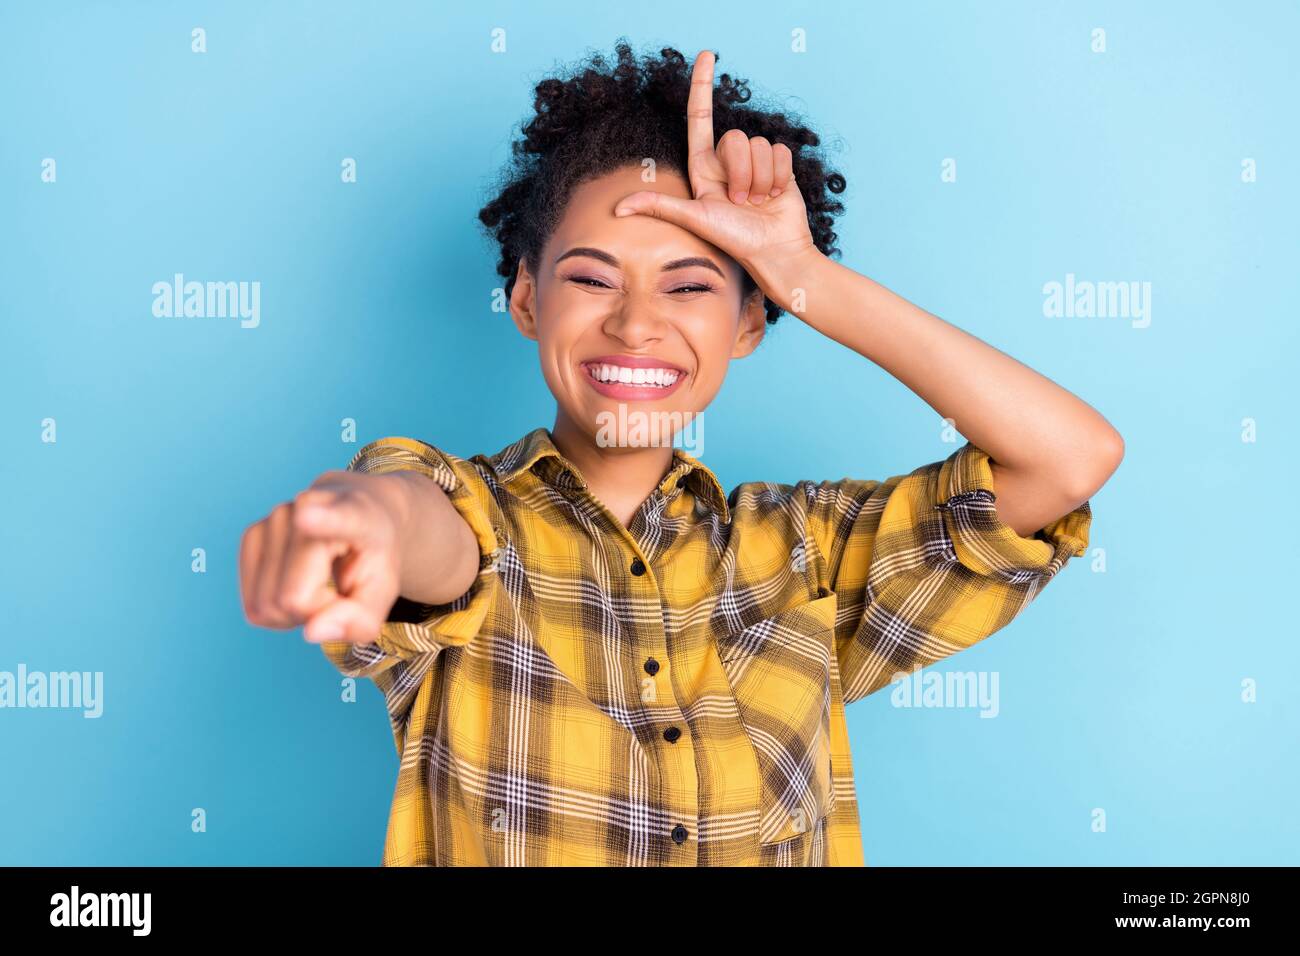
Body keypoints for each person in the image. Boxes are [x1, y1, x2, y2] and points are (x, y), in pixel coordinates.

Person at [238, 42, 1122, 866]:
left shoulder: (805, 553)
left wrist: (807, 276)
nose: (634, 323)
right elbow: (415, 521)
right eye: (590, 278)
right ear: (525, 299)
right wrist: (362, 529)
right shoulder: (472, 513)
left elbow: (1069, 458)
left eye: (690, 286)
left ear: (749, 322)